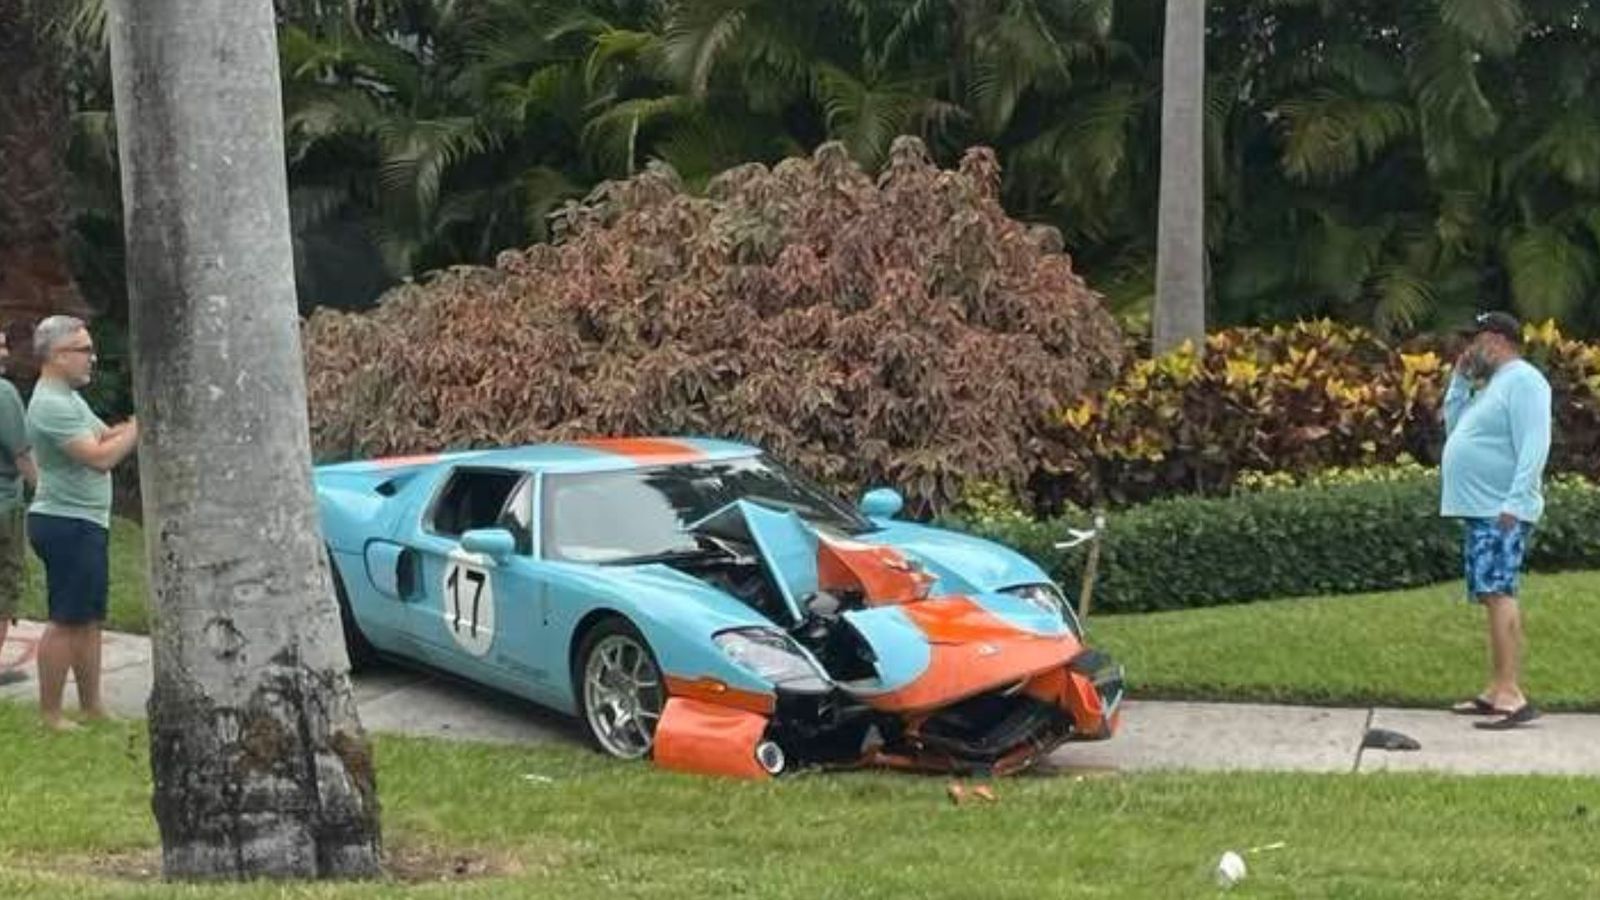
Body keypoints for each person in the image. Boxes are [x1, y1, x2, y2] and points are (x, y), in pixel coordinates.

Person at [1440, 311, 1550, 731]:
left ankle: (1511, 694)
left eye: (1478, 339)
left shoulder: (1524, 381)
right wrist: (1460, 383)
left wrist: (1517, 500)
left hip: (1500, 509)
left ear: (1500, 340)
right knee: (1489, 592)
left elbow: (1535, 443)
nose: (1471, 348)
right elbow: (1455, 429)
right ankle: (1495, 689)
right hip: (1480, 507)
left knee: (1499, 590)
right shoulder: (1490, 388)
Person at [26, 316, 137, 730]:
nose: (92, 357)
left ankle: (92, 705)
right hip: (64, 523)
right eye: (83, 350)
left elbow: (105, 437)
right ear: (57, 356)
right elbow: (101, 458)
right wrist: (143, 423)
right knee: (66, 620)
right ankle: (50, 714)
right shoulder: (50, 403)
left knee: (89, 618)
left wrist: (130, 427)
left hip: (85, 522)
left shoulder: (69, 397)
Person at [0, 328, 40, 685]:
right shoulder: (4, 393)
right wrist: (45, 494)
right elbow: (22, 454)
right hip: (2, 505)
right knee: (3, 584)